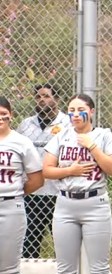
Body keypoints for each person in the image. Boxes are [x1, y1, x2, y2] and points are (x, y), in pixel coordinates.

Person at [41, 94, 112, 274]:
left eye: (81, 110)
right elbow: (47, 170)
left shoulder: (103, 135)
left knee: (99, 267)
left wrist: (92, 147)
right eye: (71, 110)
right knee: (65, 268)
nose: (75, 114)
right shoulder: (62, 136)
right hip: (65, 204)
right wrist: (70, 171)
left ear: (92, 111)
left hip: (95, 203)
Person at [0, 97, 45, 274]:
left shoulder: (21, 142)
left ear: (11, 115)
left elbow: (37, 179)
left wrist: (15, 192)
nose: (0, 117)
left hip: (11, 206)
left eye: (4, 113)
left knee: (8, 267)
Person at [18, 83, 69, 259]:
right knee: (30, 240)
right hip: (34, 192)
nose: (42, 100)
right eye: (38, 96)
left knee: (61, 240)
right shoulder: (26, 125)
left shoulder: (67, 123)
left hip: (58, 191)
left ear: (56, 99)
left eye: (46, 96)